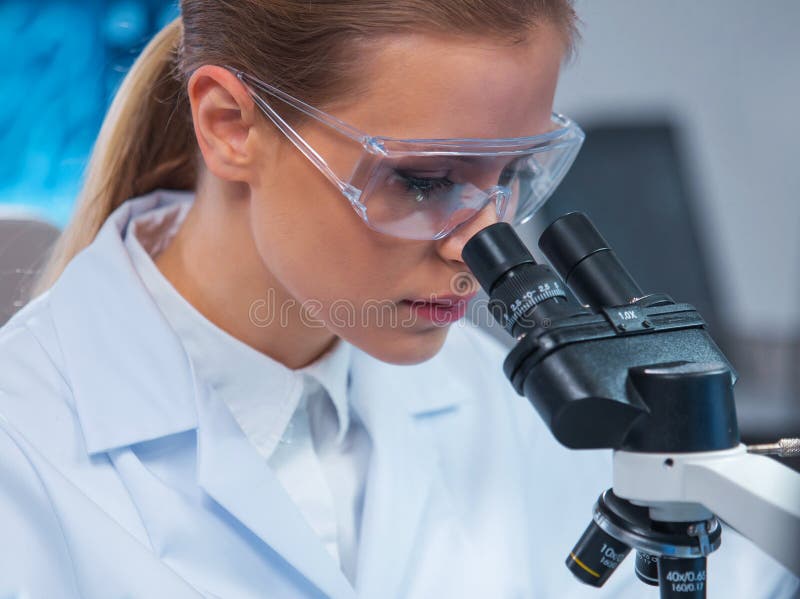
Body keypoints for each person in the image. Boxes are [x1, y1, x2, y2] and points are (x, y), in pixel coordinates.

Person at [0, 1, 797, 597]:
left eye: (513, 175)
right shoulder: (24, 449)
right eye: (423, 180)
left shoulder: (486, 400)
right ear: (231, 126)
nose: (480, 243)